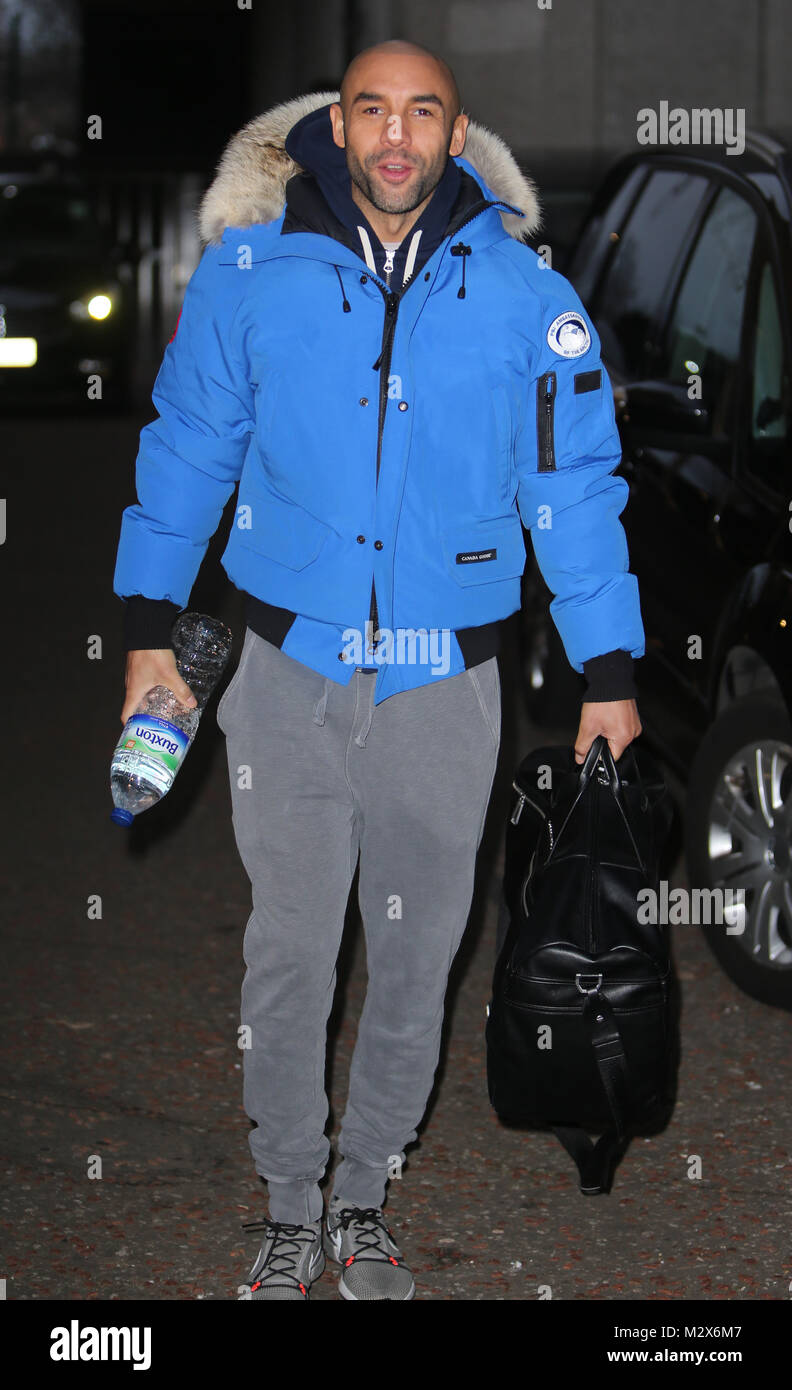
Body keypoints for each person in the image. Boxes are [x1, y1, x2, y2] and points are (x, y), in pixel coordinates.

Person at [114, 39, 644, 1301]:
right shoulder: (246, 275)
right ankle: (289, 1201)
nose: (397, 136)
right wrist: (146, 629)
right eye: (372, 111)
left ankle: (364, 1197)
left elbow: (572, 490)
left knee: (418, 950)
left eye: (424, 114)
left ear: (457, 139)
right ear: (335, 129)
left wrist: (609, 672)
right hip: (284, 666)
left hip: (444, 675)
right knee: (293, 944)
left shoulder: (524, 295)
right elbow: (188, 444)